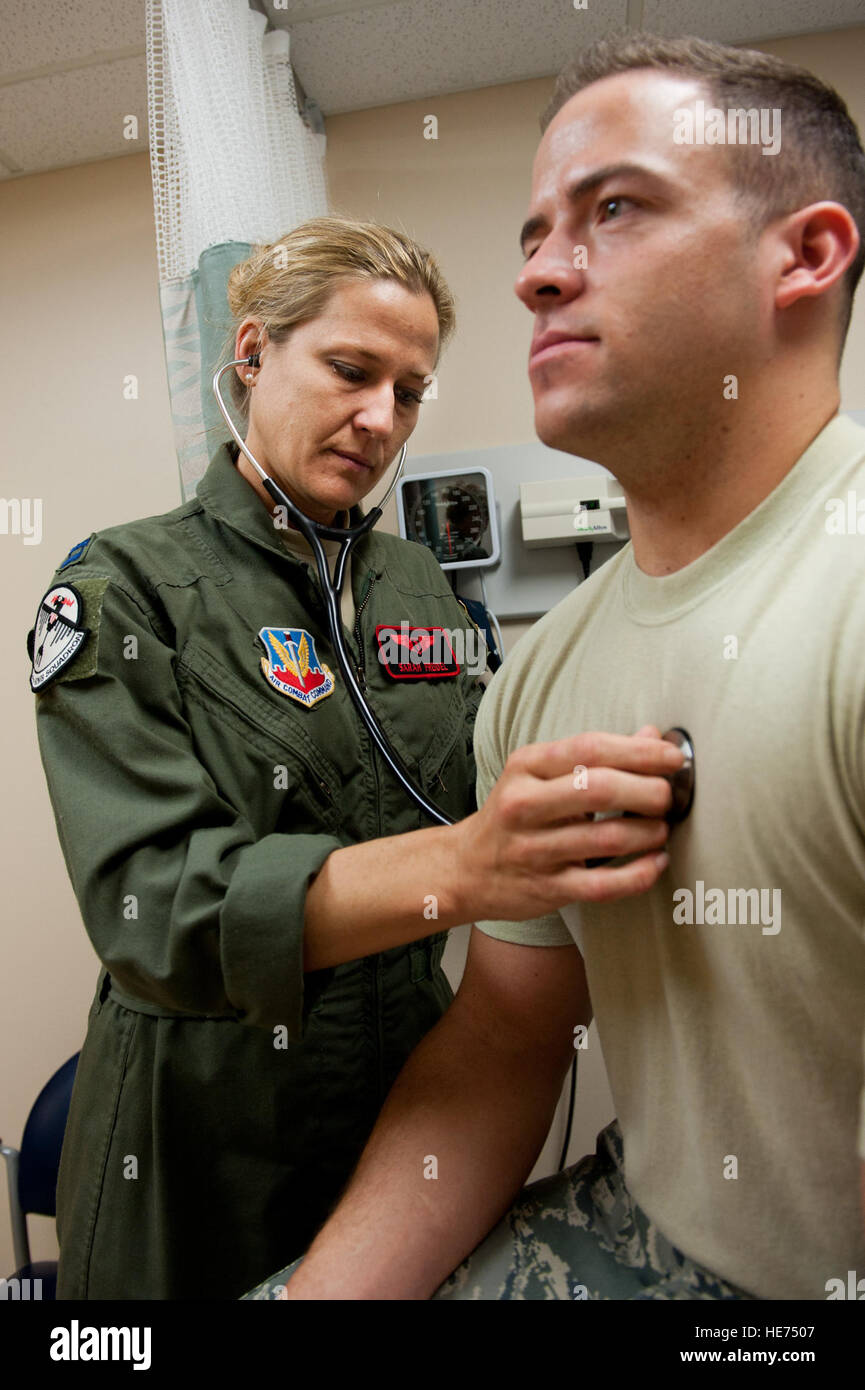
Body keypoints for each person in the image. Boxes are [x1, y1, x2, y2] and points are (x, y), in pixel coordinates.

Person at [244, 34, 865, 1301]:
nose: (537, 275)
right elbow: (507, 1037)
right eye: (533, 233)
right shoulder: (542, 680)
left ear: (803, 256)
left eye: (614, 209)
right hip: (653, 1215)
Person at [30, 215, 683, 1300]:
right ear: (251, 356)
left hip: (409, 1104)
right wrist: (467, 868)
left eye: (411, 390)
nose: (380, 418)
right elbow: (156, 911)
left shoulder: (421, 590)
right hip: (204, 1139)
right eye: (350, 369)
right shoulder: (128, 589)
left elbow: (483, 782)